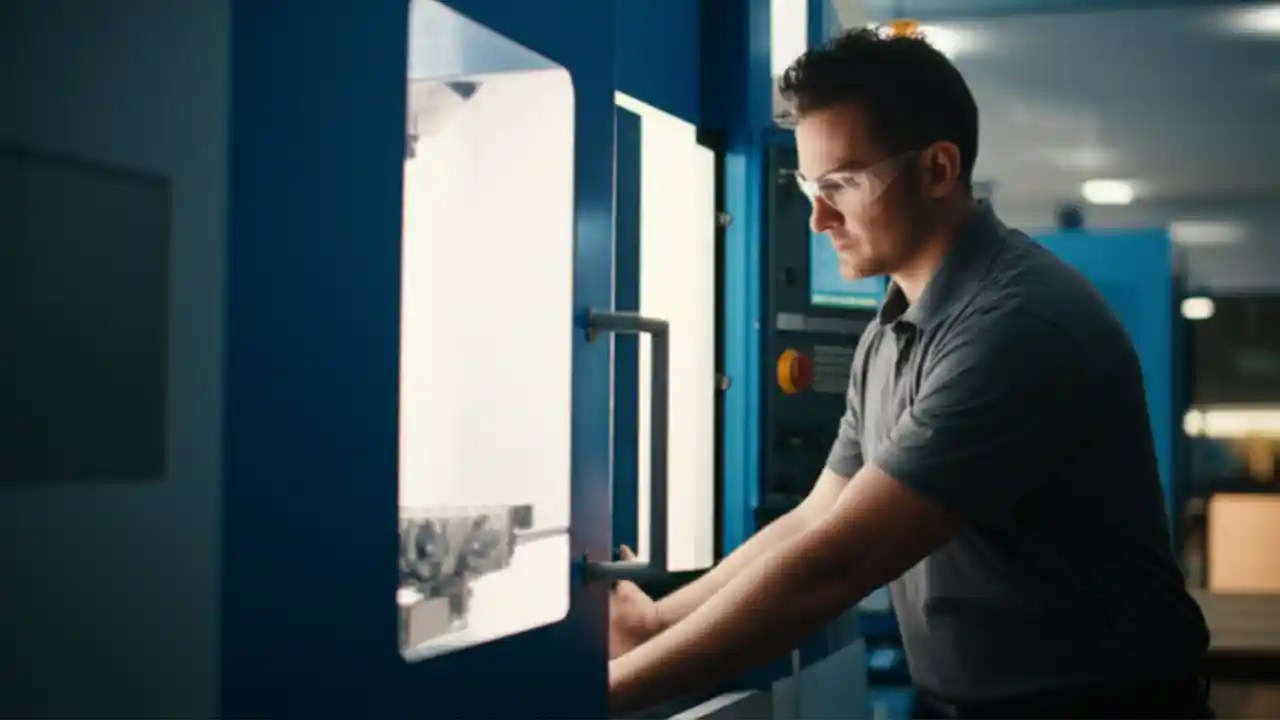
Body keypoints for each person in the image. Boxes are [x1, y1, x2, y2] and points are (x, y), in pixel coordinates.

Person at [607, 27, 1213, 718]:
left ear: (938, 169)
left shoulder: (1017, 325)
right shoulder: (892, 330)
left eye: (842, 184)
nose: (817, 217)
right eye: (809, 186)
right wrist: (657, 624)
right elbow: (816, 520)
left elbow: (838, 565)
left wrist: (603, 697)